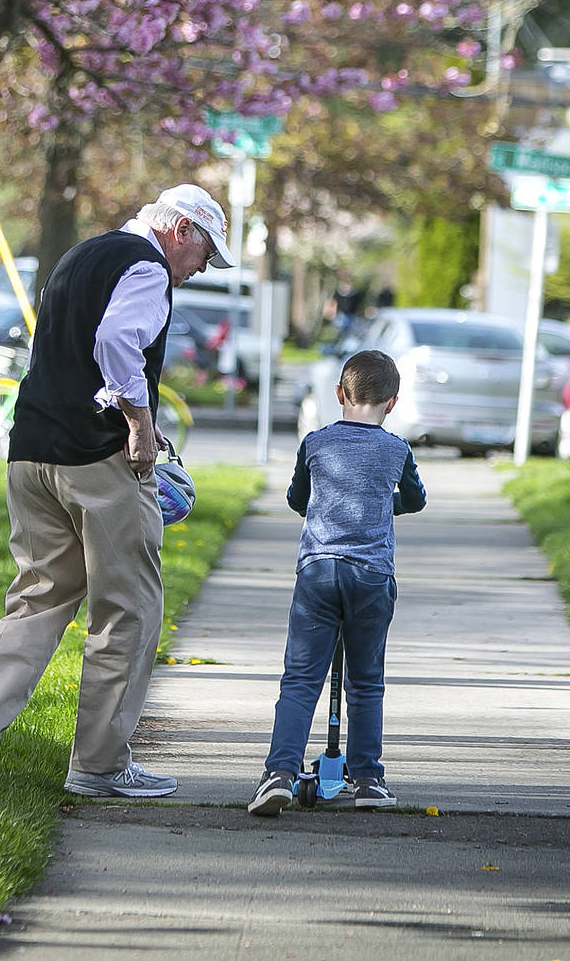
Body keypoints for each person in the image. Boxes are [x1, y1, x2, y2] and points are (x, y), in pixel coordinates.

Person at [0, 184, 234, 797]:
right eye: (206, 253)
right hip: (98, 459)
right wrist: (142, 426)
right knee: (130, 609)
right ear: (181, 231)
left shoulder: (81, 254)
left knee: (40, 595)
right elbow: (117, 342)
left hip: (30, 452)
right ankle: (99, 765)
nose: (202, 268)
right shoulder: (148, 268)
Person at [247, 348, 426, 817]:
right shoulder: (397, 449)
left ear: (339, 394)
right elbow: (416, 499)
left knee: (301, 679)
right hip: (371, 576)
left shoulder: (315, 442)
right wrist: (384, 506)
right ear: (393, 403)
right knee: (366, 683)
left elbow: (296, 499)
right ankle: (368, 779)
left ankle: (280, 773)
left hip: (318, 572)